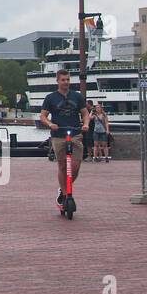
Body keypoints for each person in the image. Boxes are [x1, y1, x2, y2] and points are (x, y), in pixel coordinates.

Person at [39, 69, 90, 211]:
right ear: (58, 81)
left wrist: (85, 124)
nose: (66, 82)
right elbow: (43, 116)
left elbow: (85, 113)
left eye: (68, 79)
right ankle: (65, 193)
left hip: (75, 133)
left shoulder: (77, 96)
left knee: (75, 166)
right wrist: (50, 124)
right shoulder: (50, 98)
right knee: (62, 166)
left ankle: (63, 190)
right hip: (59, 135)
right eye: (63, 80)